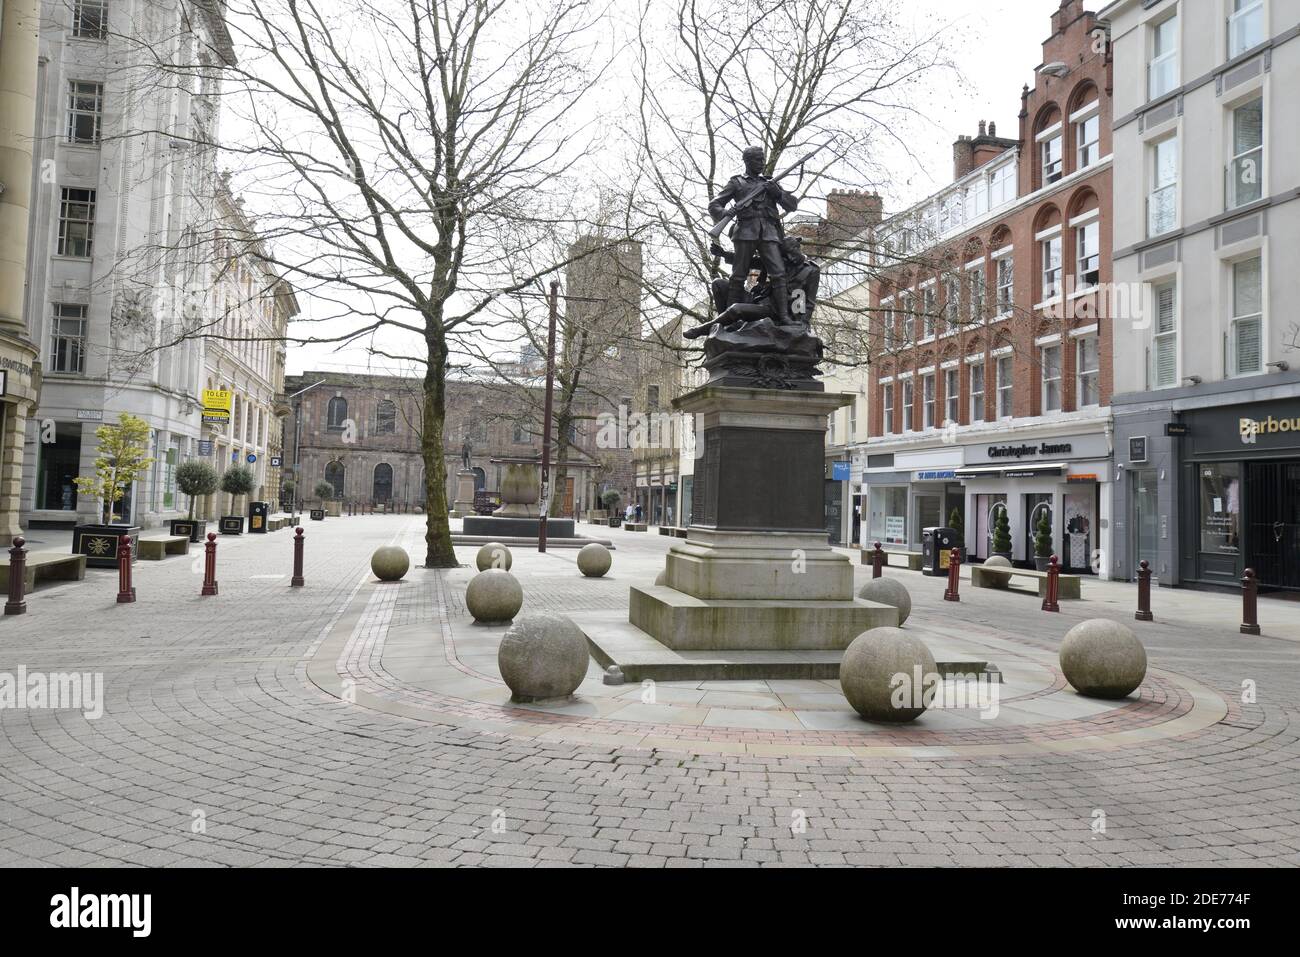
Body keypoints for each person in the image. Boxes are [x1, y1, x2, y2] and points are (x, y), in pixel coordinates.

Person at [708, 145, 799, 325]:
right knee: (738, 274)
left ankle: (783, 317)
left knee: (778, 273)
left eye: (762, 160)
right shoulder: (736, 182)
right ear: (748, 161)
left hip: (769, 234)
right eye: (758, 160)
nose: (761, 163)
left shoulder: (770, 183)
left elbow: (792, 205)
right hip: (745, 232)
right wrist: (727, 214)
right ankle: (731, 319)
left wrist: (778, 194)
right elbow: (714, 205)